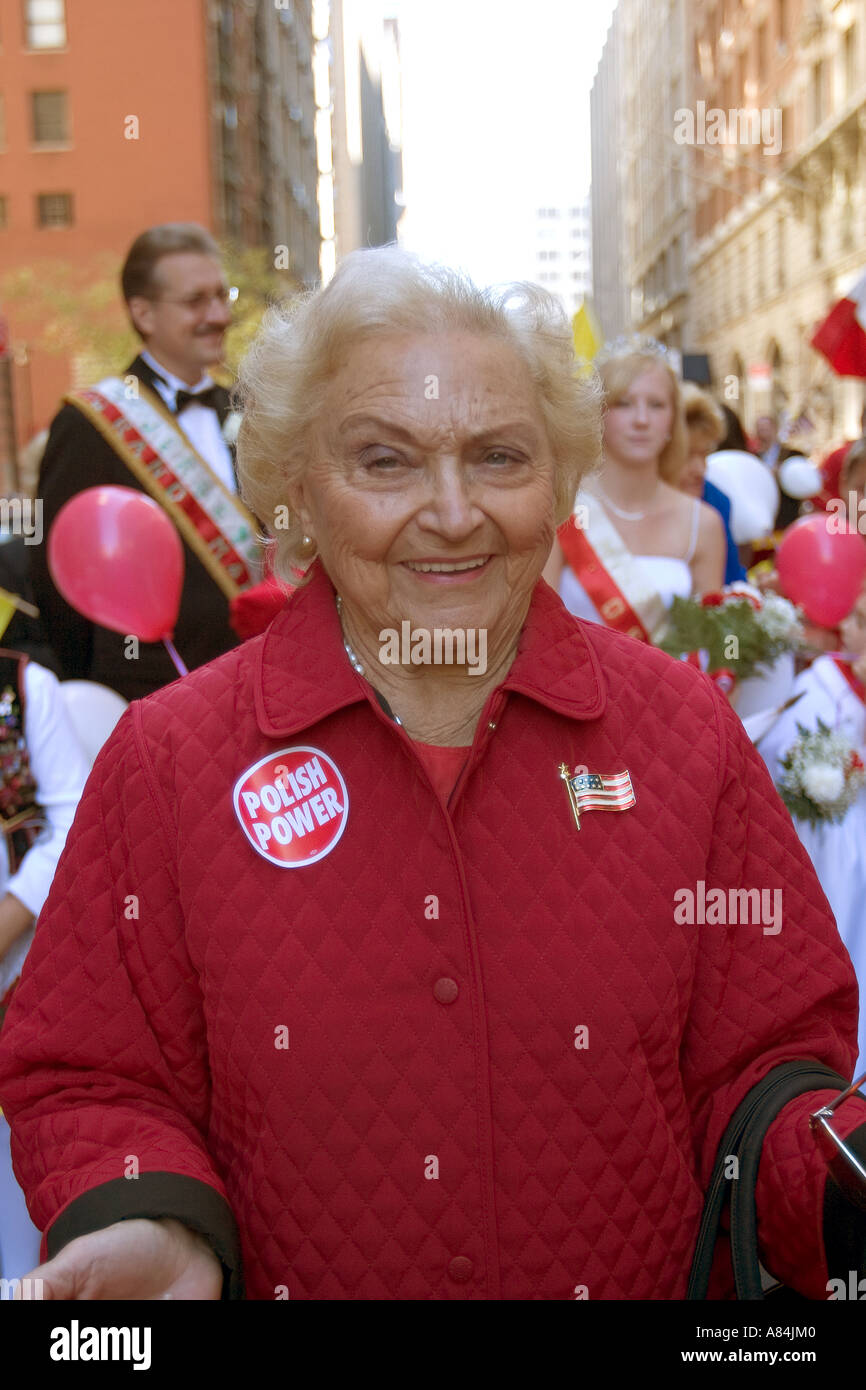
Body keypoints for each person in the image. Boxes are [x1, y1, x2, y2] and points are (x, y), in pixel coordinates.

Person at [0, 248, 864, 1302]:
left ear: (556, 481)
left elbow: (765, 1062)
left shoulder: (685, 734)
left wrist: (833, 1178)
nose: (453, 511)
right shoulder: (170, 760)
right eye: (385, 461)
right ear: (298, 492)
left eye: (499, 457)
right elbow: (91, 1071)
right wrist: (152, 1212)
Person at [31, 223, 263, 701]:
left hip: (258, 677)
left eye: (223, 295)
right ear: (144, 313)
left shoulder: (248, 409)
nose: (219, 314)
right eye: (196, 301)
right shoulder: (91, 424)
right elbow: (57, 583)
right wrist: (94, 692)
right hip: (151, 695)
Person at [0, 649, 90, 1282]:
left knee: (13, 1186)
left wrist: (5, 926)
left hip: (16, 985)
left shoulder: (24, 689)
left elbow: (73, 827)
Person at [543, 340, 725, 642]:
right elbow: (540, 633)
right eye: (623, 403)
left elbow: (711, 647)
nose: (641, 420)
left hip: (670, 689)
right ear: (598, 414)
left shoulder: (703, 523)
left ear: (672, 419)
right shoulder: (561, 508)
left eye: (656, 405)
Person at [758, 585, 866, 1073]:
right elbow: (778, 756)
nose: (850, 630)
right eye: (855, 618)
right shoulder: (820, 689)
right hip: (832, 851)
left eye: (861, 622)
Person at [678, 383, 746, 585]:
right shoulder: (635, 503)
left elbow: (732, 581)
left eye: (705, 454)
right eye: (688, 455)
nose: (700, 468)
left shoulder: (716, 501)